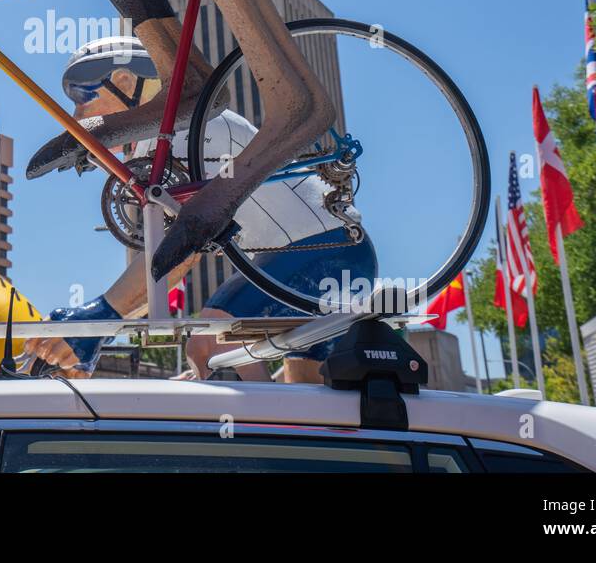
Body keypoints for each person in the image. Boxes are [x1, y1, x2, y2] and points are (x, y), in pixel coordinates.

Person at [23, 36, 377, 381]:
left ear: (124, 81)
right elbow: (160, 275)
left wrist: (99, 318)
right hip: (333, 255)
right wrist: (103, 322)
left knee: (211, 344)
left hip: (319, 251)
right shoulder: (157, 143)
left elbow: (180, 252)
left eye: (84, 100)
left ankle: (248, 431)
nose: (76, 116)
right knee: (304, 385)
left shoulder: (185, 130)